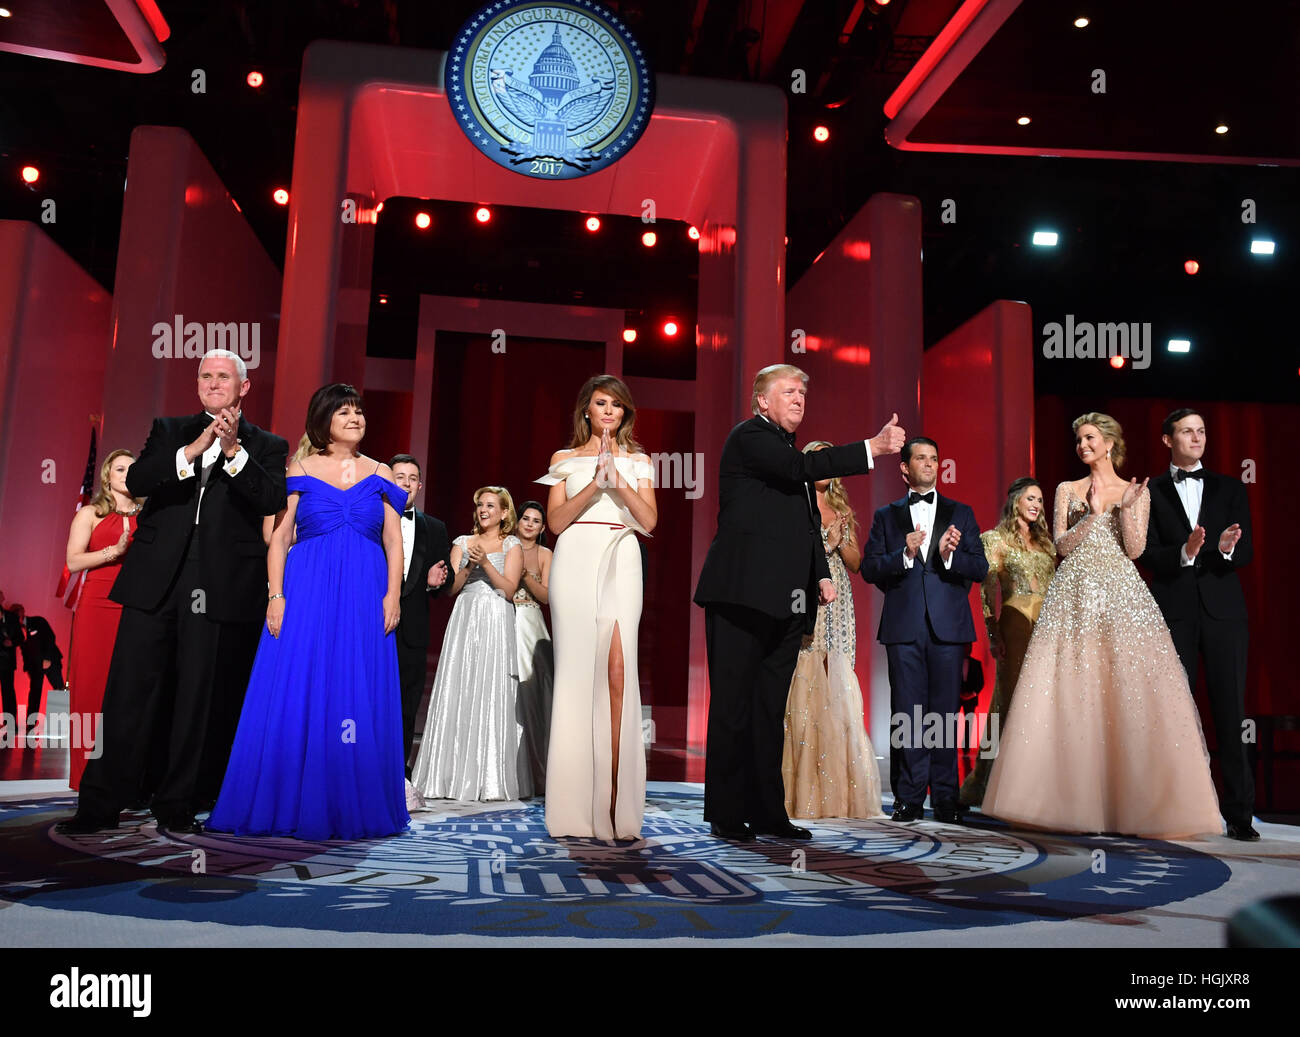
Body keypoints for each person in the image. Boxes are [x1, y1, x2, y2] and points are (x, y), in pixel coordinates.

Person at [57, 350, 287, 836]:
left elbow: (269, 499)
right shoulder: (169, 429)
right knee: (128, 695)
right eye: (205, 375)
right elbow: (138, 480)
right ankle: (100, 802)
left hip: (218, 583)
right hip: (156, 577)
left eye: (224, 377)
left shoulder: (267, 444)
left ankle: (176, 803)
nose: (213, 383)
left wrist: (231, 452)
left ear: (243, 387)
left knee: (195, 701)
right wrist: (193, 449)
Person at [983, 413, 1221, 838]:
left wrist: (1126, 510)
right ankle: (1068, 802)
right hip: (1074, 595)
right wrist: (1092, 515)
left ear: (1109, 443)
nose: (1082, 445)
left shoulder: (1136, 490)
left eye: (1089, 438)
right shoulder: (1066, 490)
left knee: (1125, 691)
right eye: (1078, 440)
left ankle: (1129, 802)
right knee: (1073, 690)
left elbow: (1134, 549)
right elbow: (1060, 545)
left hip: (1121, 597)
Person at [694, 364, 904, 842]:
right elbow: (800, 469)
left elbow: (810, 528)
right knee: (734, 705)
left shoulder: (786, 454)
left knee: (770, 709)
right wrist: (871, 448)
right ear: (762, 401)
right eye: (788, 392)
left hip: (786, 604)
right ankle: (727, 813)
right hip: (740, 595)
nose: (798, 400)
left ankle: (768, 812)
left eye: (803, 394)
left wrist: (822, 576)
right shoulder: (750, 438)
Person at [207, 384, 409, 839]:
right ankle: (288, 797)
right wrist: (275, 596)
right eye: (344, 412)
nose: (355, 418)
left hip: (364, 590)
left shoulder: (381, 474)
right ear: (324, 420)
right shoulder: (297, 468)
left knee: (353, 685)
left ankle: (347, 800)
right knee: (299, 679)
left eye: (359, 411)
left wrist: (392, 595)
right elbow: (278, 539)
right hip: (307, 587)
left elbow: (394, 543)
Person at [544, 375, 657, 840]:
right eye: (600, 403)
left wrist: (618, 481)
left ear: (625, 413)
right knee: (576, 677)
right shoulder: (562, 459)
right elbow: (554, 523)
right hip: (574, 560)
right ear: (586, 411)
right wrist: (594, 483)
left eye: (617, 405)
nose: (609, 411)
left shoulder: (641, 460)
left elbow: (649, 521)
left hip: (622, 555)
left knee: (617, 671)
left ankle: (615, 805)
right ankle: (574, 809)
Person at [1140, 409, 1257, 840]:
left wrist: (1224, 550)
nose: (1197, 437)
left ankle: (1241, 815)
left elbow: (1246, 553)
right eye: (1187, 431)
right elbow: (1146, 554)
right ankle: (1177, 809)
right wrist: (1184, 552)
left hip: (1225, 613)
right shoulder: (1150, 491)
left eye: (1201, 431)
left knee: (1231, 712)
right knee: (1175, 715)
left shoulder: (1230, 487)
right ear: (1167, 439)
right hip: (1174, 612)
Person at [861, 437, 989, 824]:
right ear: (904, 468)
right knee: (908, 715)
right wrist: (904, 553)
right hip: (904, 627)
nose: (930, 464)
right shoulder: (887, 516)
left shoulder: (960, 513)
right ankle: (909, 797)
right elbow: (869, 569)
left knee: (944, 715)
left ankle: (946, 798)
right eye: (921, 458)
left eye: (934, 459)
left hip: (948, 628)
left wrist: (950, 557)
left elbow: (980, 568)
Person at [781, 442, 882, 819]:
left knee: (834, 676)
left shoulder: (840, 510)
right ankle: (797, 789)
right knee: (804, 675)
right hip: (806, 593)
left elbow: (857, 563)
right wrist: (827, 545)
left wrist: (840, 543)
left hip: (838, 597)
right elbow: (794, 552)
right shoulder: (796, 501)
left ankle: (836, 791)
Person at [410, 486, 528, 802]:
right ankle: (448, 775)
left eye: (490, 505)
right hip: (465, 615)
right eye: (479, 505)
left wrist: (488, 564)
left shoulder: (512, 545)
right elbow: (452, 588)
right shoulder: (462, 543)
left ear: (505, 512)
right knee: (459, 687)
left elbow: (509, 589)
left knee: (491, 689)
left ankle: (488, 777)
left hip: (496, 618)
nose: (483, 510)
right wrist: (469, 566)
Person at [959, 477, 1057, 808]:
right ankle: (990, 781)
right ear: (1016, 500)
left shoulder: (1046, 544)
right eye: (1031, 498)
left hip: (1046, 628)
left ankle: (1038, 782)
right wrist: (993, 634)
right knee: (1010, 701)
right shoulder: (995, 540)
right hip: (1014, 626)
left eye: (1041, 500)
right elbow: (986, 591)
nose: (1036, 505)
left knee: (1044, 702)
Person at [62, 448, 142, 787]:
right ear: (107, 475)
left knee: (129, 694)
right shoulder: (90, 514)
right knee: (90, 692)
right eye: (120, 469)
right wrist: (113, 551)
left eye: (132, 470)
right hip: (97, 607)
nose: (125, 474)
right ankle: (85, 777)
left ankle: (123, 779)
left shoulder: (148, 515)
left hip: (135, 608)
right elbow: (74, 562)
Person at [389, 453, 451, 776]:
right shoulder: (370, 520)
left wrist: (433, 582)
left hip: (412, 631)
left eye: (412, 478)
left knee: (405, 706)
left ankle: (399, 774)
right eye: (399, 477)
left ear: (420, 485)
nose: (406, 484)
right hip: (370, 627)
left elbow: (448, 575)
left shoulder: (434, 528)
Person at [514, 500, 554, 791]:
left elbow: (547, 596)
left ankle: (535, 774)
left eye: (536, 521)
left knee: (532, 697)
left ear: (542, 528)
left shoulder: (545, 554)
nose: (529, 524)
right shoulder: (504, 545)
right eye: (525, 518)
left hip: (530, 623)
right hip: (503, 619)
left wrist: (525, 575)